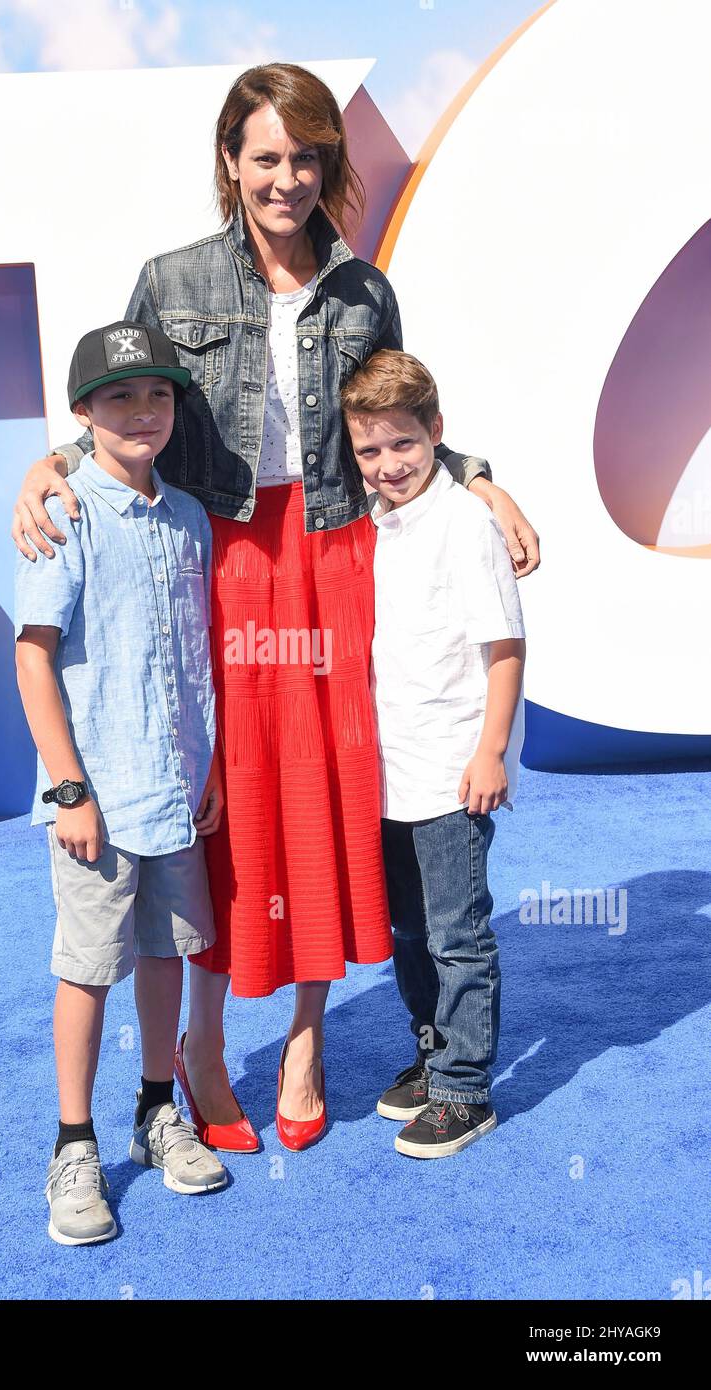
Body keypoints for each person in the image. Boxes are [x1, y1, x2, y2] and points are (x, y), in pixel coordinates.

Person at [11, 63, 540, 1153]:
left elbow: (396, 416)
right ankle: (202, 1043)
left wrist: (475, 473)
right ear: (229, 162)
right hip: (231, 552)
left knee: (335, 790)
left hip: (341, 552)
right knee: (228, 794)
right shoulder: (172, 275)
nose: (286, 178)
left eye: (305, 157)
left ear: (326, 165)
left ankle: (302, 1038)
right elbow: (126, 398)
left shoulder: (361, 287)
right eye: (265, 157)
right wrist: (49, 464)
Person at [14, 321, 229, 1246]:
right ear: (83, 415)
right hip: (96, 803)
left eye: (157, 396)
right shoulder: (65, 511)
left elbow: (192, 659)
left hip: (177, 789)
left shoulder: (189, 517)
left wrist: (209, 762)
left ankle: (154, 1110)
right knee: (87, 967)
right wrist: (69, 791)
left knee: (165, 952)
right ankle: (72, 1143)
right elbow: (34, 659)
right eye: (120, 398)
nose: (143, 412)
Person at [342, 349, 526, 1158]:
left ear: (437, 435)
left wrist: (490, 754)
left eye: (404, 446)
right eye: (370, 451)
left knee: (458, 933)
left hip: (454, 772)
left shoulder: (466, 522)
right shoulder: (377, 520)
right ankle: (432, 1054)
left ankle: (466, 1089)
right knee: (409, 933)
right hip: (391, 772)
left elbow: (505, 646)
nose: (388, 466)